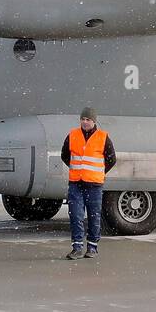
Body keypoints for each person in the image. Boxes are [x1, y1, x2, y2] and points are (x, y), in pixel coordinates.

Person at [60, 107, 117, 259]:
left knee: (94, 216)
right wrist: (77, 170)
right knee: (76, 215)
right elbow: (64, 155)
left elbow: (111, 159)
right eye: (83, 119)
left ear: (94, 121)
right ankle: (77, 247)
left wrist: (98, 172)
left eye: (88, 120)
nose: (85, 122)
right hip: (76, 184)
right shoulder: (72, 135)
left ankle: (92, 247)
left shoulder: (103, 137)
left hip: (94, 185)